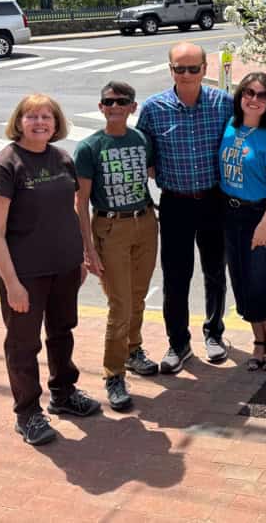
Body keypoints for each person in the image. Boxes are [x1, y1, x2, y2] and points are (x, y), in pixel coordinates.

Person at [0, 94, 101, 446]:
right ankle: (28, 413)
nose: (39, 123)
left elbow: (72, 211)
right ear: (18, 122)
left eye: (46, 117)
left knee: (62, 332)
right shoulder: (4, 165)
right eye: (31, 116)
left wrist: (81, 256)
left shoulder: (62, 158)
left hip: (64, 267)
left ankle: (63, 393)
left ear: (56, 122)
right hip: (25, 273)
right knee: (23, 344)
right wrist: (12, 283)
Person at [137, 43, 233, 374]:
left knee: (215, 271)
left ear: (205, 69)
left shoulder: (224, 103)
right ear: (171, 70)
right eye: (180, 69)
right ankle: (178, 343)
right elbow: (144, 153)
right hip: (175, 203)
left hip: (213, 199)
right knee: (176, 276)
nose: (187, 75)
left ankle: (214, 333)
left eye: (194, 68)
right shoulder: (154, 108)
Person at [74, 81, 159, 412]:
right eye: (108, 102)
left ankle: (133, 350)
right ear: (100, 107)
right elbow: (81, 202)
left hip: (145, 223)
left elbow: (151, 174)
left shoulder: (141, 139)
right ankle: (114, 374)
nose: (114, 107)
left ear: (132, 107)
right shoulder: (90, 147)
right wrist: (88, 249)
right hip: (110, 228)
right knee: (120, 304)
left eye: (122, 102)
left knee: (138, 297)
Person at [219, 73, 266, 371]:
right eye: (249, 92)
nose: (254, 99)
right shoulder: (230, 126)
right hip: (230, 213)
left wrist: (265, 224)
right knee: (242, 280)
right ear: (240, 96)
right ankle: (258, 341)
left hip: (261, 214)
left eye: (262, 95)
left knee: (264, 279)